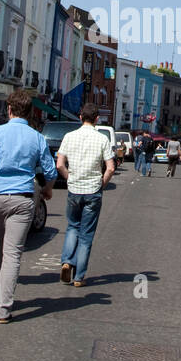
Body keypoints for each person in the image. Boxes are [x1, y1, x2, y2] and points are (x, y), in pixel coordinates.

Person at [0, 90, 57, 323]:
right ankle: (3, 309)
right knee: (13, 254)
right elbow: (51, 171)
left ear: (10, 110)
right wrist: (47, 189)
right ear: (30, 111)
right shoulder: (37, 137)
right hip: (23, 198)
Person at [56, 102, 116, 287]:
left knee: (73, 226)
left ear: (80, 117)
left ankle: (67, 261)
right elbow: (111, 168)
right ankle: (78, 277)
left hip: (74, 189)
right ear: (97, 119)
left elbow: (59, 164)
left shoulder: (69, 136)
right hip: (93, 191)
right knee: (86, 235)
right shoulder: (102, 139)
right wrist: (102, 184)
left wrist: (69, 178)